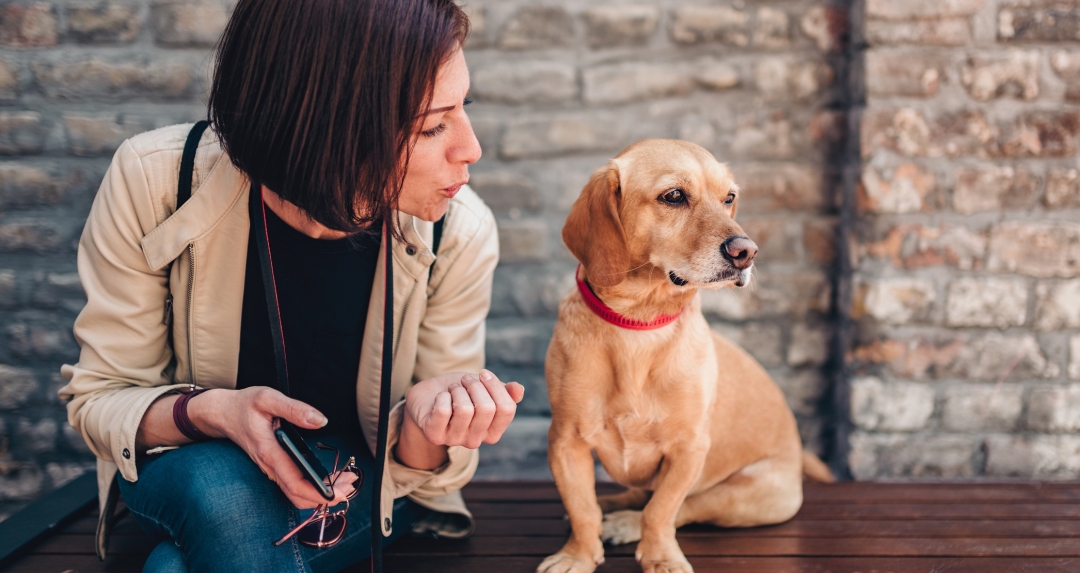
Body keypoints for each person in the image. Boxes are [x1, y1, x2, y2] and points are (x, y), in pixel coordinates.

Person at [57, 1, 523, 571]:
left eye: (463, 108)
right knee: (222, 487)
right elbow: (101, 399)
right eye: (432, 125)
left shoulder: (459, 229)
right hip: (189, 468)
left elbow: (415, 470)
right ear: (327, 122)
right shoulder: (157, 182)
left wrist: (428, 425)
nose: (471, 149)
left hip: (354, 484)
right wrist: (213, 413)